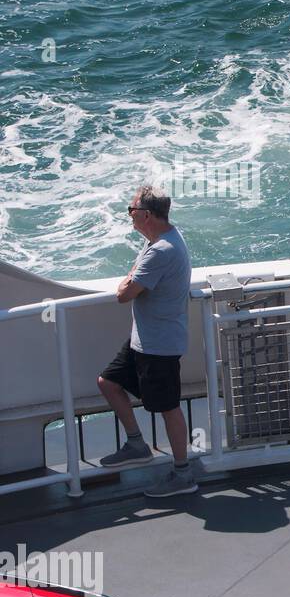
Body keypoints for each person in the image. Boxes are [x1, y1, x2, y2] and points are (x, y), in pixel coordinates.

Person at [96, 186, 197, 497]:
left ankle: (183, 474)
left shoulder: (161, 250)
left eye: (132, 211)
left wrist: (129, 279)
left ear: (147, 215)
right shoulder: (158, 242)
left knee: (168, 408)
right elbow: (134, 279)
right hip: (143, 340)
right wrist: (133, 276)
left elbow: (123, 295)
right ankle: (137, 444)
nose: (129, 216)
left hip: (159, 345)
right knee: (108, 382)